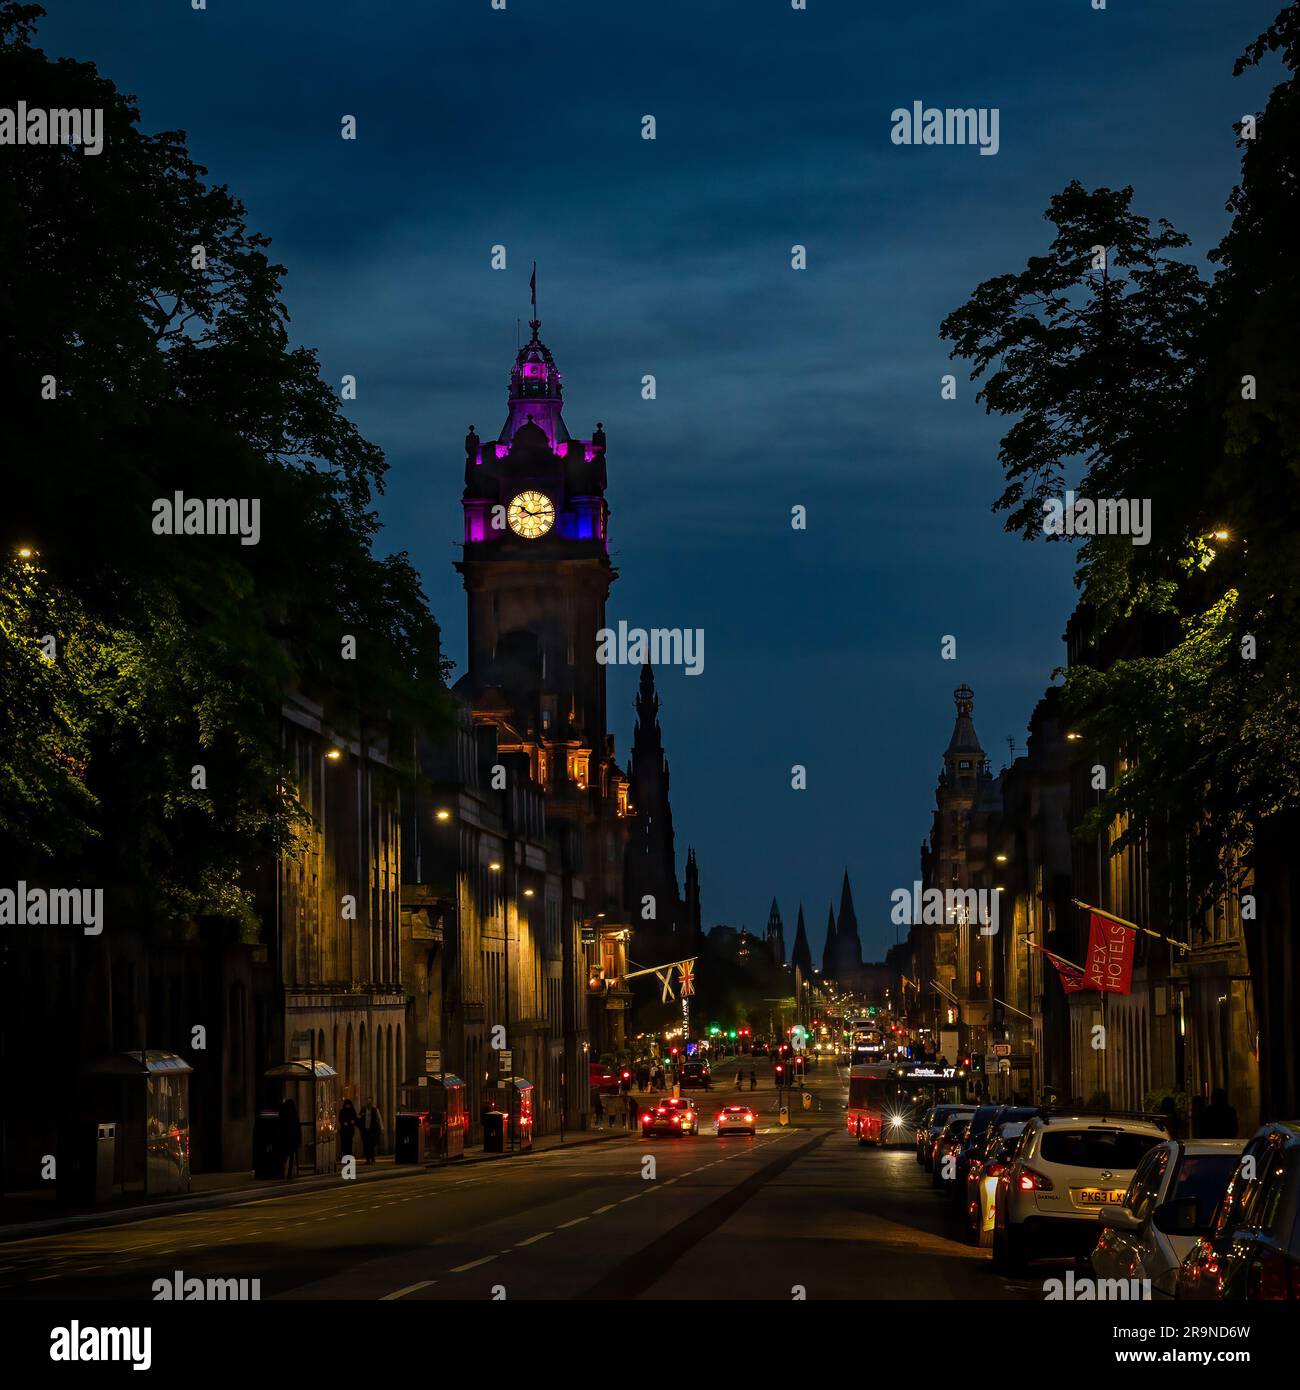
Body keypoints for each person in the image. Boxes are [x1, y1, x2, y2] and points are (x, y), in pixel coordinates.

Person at [279, 1096, 301, 1179]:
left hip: (284, 1138)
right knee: (291, 1156)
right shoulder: (294, 1114)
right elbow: (297, 1128)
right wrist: (299, 1140)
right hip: (292, 1139)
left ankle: (282, 1172)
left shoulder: (282, 1113)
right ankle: (289, 1173)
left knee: (283, 1156)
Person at [360, 1098, 384, 1164]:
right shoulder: (363, 1110)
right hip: (365, 1130)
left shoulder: (375, 1110)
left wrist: (381, 1127)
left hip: (372, 1130)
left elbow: (379, 1118)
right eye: (367, 1101)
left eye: (370, 1102)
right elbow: (359, 1117)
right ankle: (368, 1159)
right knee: (366, 1145)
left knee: (372, 1144)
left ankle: (372, 1157)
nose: (368, 1103)